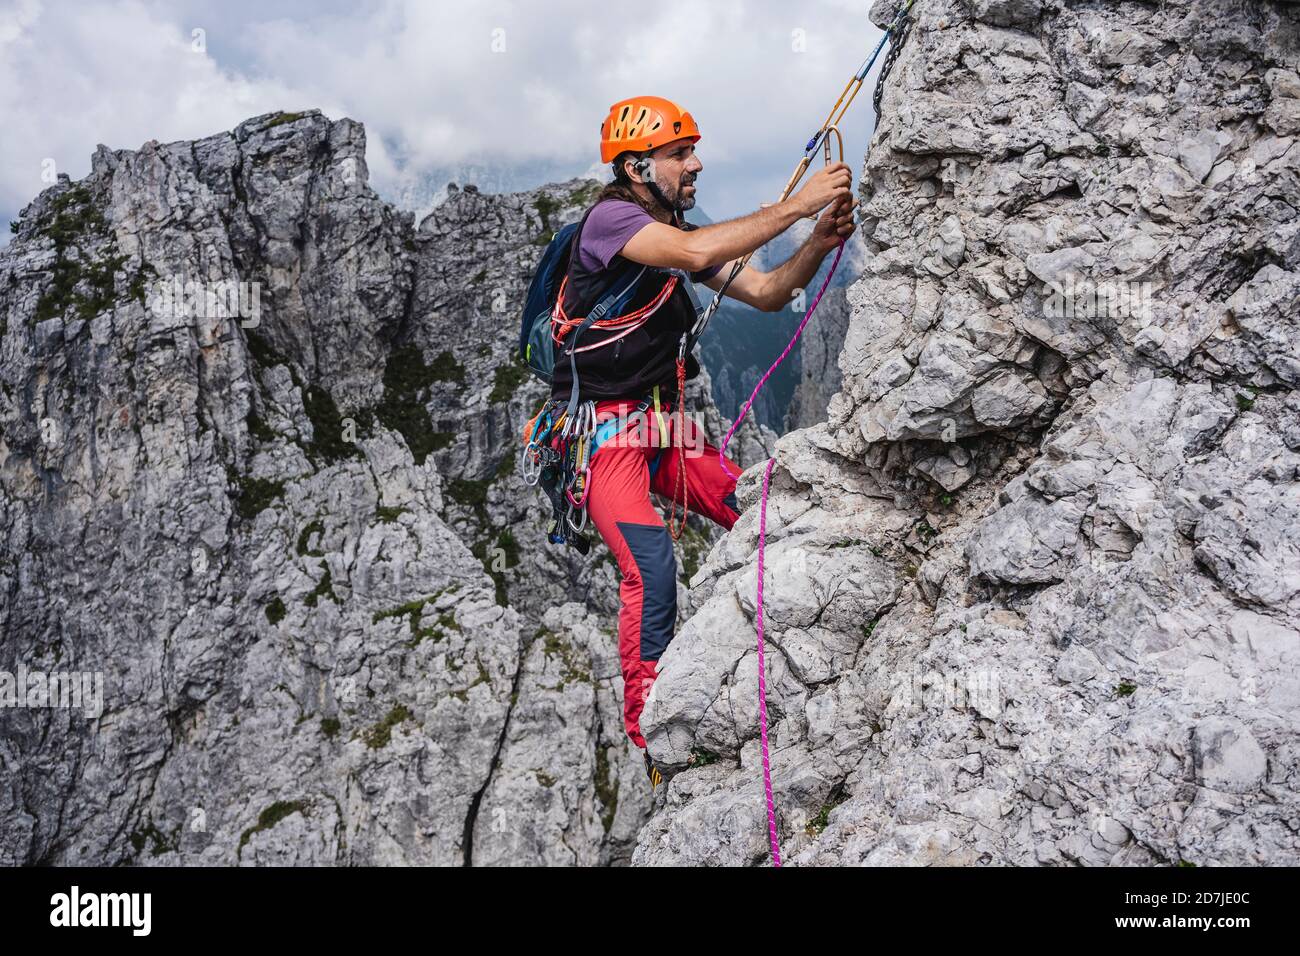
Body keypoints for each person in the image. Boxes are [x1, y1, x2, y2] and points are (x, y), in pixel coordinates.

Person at [553, 95, 856, 783]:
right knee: (651, 564)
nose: (696, 164)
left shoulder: (671, 230)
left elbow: (770, 292)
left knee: (758, 507)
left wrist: (817, 241)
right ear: (636, 166)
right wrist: (799, 205)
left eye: (693, 150)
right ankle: (651, 729)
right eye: (680, 153)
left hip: (662, 427)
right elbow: (693, 250)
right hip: (601, 438)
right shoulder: (611, 223)